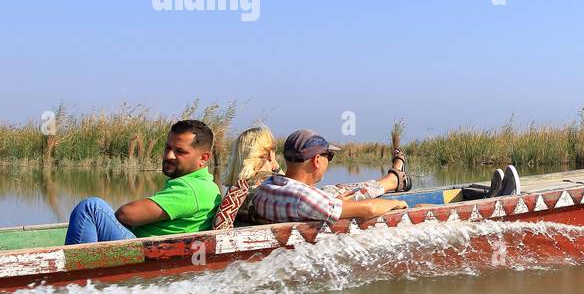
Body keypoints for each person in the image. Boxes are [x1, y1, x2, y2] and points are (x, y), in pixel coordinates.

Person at [64, 119, 222, 245]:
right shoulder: (207, 185)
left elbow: (126, 214)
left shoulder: (191, 188)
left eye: (179, 151)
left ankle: (72, 279)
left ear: (203, 158)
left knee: (91, 208)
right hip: (148, 247)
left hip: (143, 254)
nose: (169, 156)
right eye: (168, 148)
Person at [250, 129, 411, 224]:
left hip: (300, 207)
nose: (329, 161)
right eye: (329, 156)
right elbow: (369, 209)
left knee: (338, 190)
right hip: (306, 208)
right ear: (317, 160)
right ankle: (394, 180)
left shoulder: (267, 185)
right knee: (354, 197)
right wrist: (395, 203)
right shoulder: (306, 199)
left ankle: (393, 180)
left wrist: (335, 202)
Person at [211, 125, 280, 229]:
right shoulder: (276, 189)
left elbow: (219, 228)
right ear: (270, 154)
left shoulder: (236, 191)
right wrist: (275, 165)